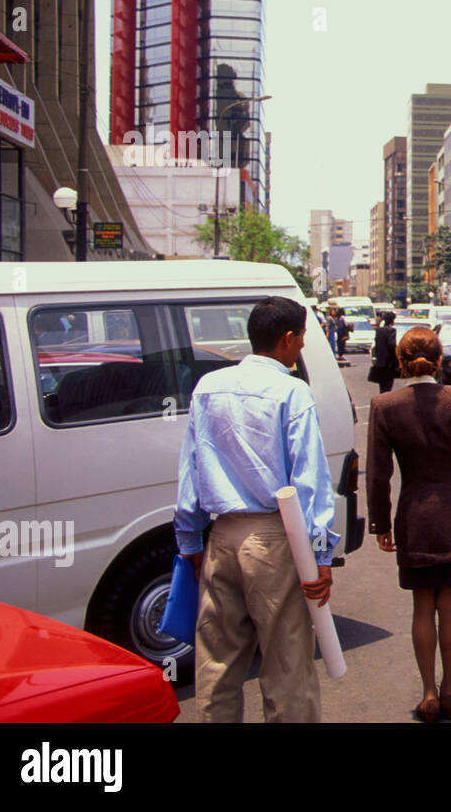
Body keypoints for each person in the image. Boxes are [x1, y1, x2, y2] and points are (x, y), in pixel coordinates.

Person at [175, 295, 339, 723]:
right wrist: (321, 556)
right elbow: (310, 484)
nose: (302, 346)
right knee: (287, 665)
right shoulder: (292, 392)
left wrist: (190, 540)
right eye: (302, 338)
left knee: (217, 662)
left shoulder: (207, 387)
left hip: (222, 536)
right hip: (274, 539)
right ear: (287, 339)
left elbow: (190, 472)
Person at [367, 326, 451, 723]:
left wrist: (380, 523)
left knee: (422, 605)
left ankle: (426, 694)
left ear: (401, 364)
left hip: (414, 517)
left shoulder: (384, 405)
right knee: (449, 605)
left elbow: (377, 474)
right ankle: (450, 690)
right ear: (440, 361)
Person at [368, 310, 398, 394]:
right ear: (392, 320)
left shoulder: (379, 330)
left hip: (380, 363)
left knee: (382, 388)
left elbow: (377, 346)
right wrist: (396, 360)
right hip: (389, 364)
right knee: (388, 387)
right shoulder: (392, 331)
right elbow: (391, 345)